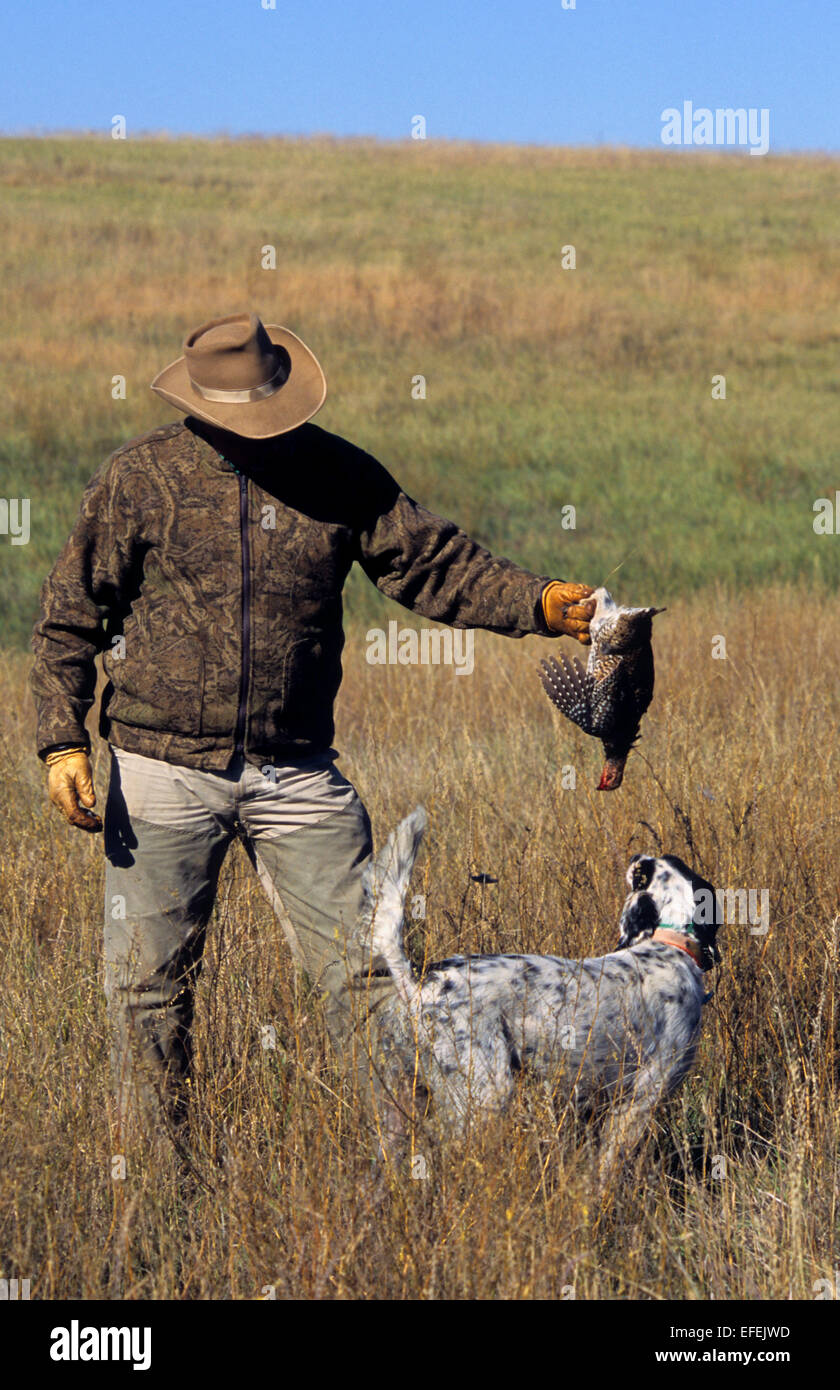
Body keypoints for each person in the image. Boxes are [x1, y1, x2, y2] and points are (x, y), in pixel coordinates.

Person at [29, 311, 594, 1154]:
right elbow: (69, 620)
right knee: (146, 991)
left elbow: (435, 566)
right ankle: (154, 1191)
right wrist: (61, 743)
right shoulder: (138, 478)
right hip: (158, 767)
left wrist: (541, 603)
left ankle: (404, 1171)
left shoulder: (338, 472)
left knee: (370, 975)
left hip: (298, 773)